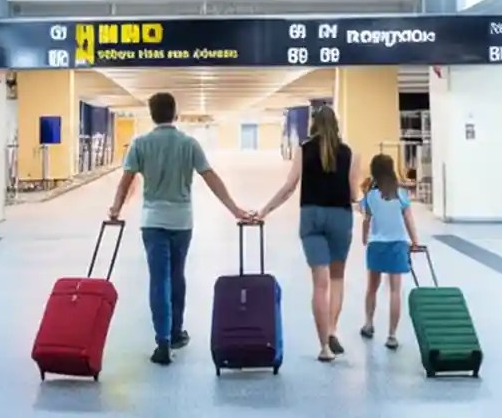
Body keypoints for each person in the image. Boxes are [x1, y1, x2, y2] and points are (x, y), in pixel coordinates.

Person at [108, 92, 251, 367]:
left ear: (152, 115)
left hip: (152, 222)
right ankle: (176, 333)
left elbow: (125, 183)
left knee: (158, 280)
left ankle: (162, 341)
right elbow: (211, 178)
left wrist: (116, 208)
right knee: (177, 275)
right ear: (175, 114)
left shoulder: (140, 143)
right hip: (182, 222)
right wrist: (235, 209)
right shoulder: (189, 144)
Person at [254, 105, 363, 362]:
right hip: (339, 216)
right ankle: (333, 329)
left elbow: (290, 187)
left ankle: (324, 346)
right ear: (336, 124)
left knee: (319, 284)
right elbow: (352, 194)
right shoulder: (350, 153)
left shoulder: (304, 149)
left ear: (313, 125)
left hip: (311, 216)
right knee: (337, 279)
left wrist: (265, 210)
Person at [359, 154, 420, 349]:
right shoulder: (401, 194)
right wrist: (415, 241)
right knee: (395, 290)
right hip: (398, 244)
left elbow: (366, 219)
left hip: (376, 245)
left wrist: (364, 238)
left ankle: (369, 324)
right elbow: (408, 219)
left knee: (372, 288)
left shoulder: (370, 196)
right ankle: (392, 335)